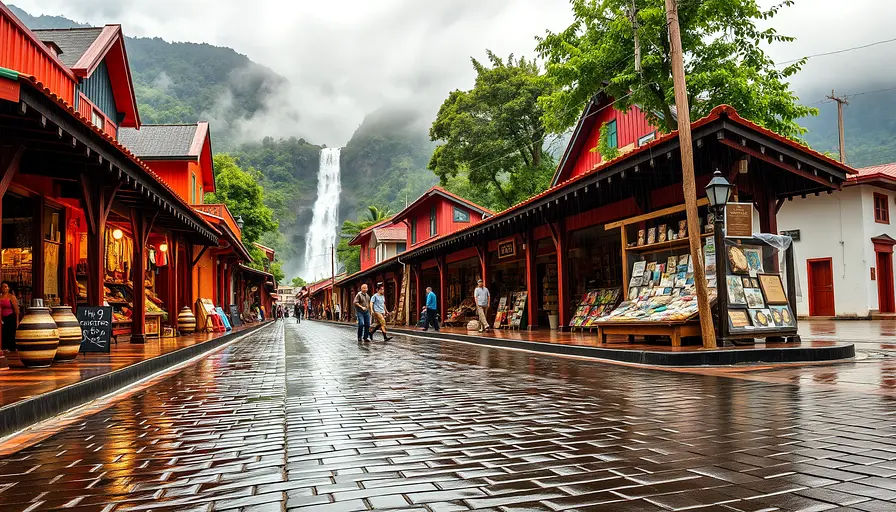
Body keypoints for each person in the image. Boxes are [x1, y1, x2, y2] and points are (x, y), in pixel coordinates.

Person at [0, 282, 20, 352]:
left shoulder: (11, 297)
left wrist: (17, 321)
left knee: (10, 333)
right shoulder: (0, 296)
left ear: (9, 288)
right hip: (2, 317)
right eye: (2, 287)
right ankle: (4, 347)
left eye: (5, 287)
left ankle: (11, 348)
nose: (4, 288)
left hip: (10, 317)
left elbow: (17, 310)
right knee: (3, 333)